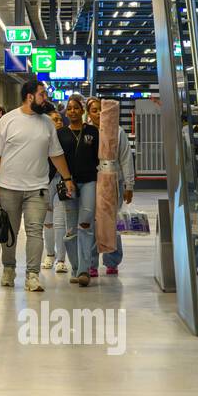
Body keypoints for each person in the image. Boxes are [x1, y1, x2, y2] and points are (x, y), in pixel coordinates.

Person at [0, 80, 74, 291]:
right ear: (29, 96)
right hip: (8, 187)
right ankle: (9, 268)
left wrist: (67, 178)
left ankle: (32, 275)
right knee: (10, 232)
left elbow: (56, 155)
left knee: (35, 230)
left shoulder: (47, 123)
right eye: (42, 94)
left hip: (38, 188)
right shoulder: (7, 121)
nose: (46, 98)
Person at [87, 97, 135, 276]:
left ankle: (112, 260)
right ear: (89, 113)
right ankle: (91, 262)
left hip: (114, 182)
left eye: (101, 109)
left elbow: (125, 158)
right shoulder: (86, 132)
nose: (98, 113)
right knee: (92, 222)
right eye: (93, 110)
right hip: (91, 182)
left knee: (112, 222)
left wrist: (129, 184)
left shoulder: (118, 132)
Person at [58, 94, 100, 286]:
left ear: (82, 111)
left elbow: (99, 158)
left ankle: (84, 270)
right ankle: (75, 268)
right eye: (70, 108)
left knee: (85, 224)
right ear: (66, 111)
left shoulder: (93, 131)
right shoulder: (61, 134)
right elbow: (55, 160)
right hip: (69, 184)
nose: (73, 111)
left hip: (89, 181)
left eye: (76, 108)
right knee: (71, 229)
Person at [42, 108, 68, 273]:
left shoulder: (67, 139)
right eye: (54, 120)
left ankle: (61, 259)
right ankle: (49, 254)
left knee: (60, 222)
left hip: (62, 183)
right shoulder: (41, 139)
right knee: (47, 222)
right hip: (44, 183)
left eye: (59, 119)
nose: (58, 122)